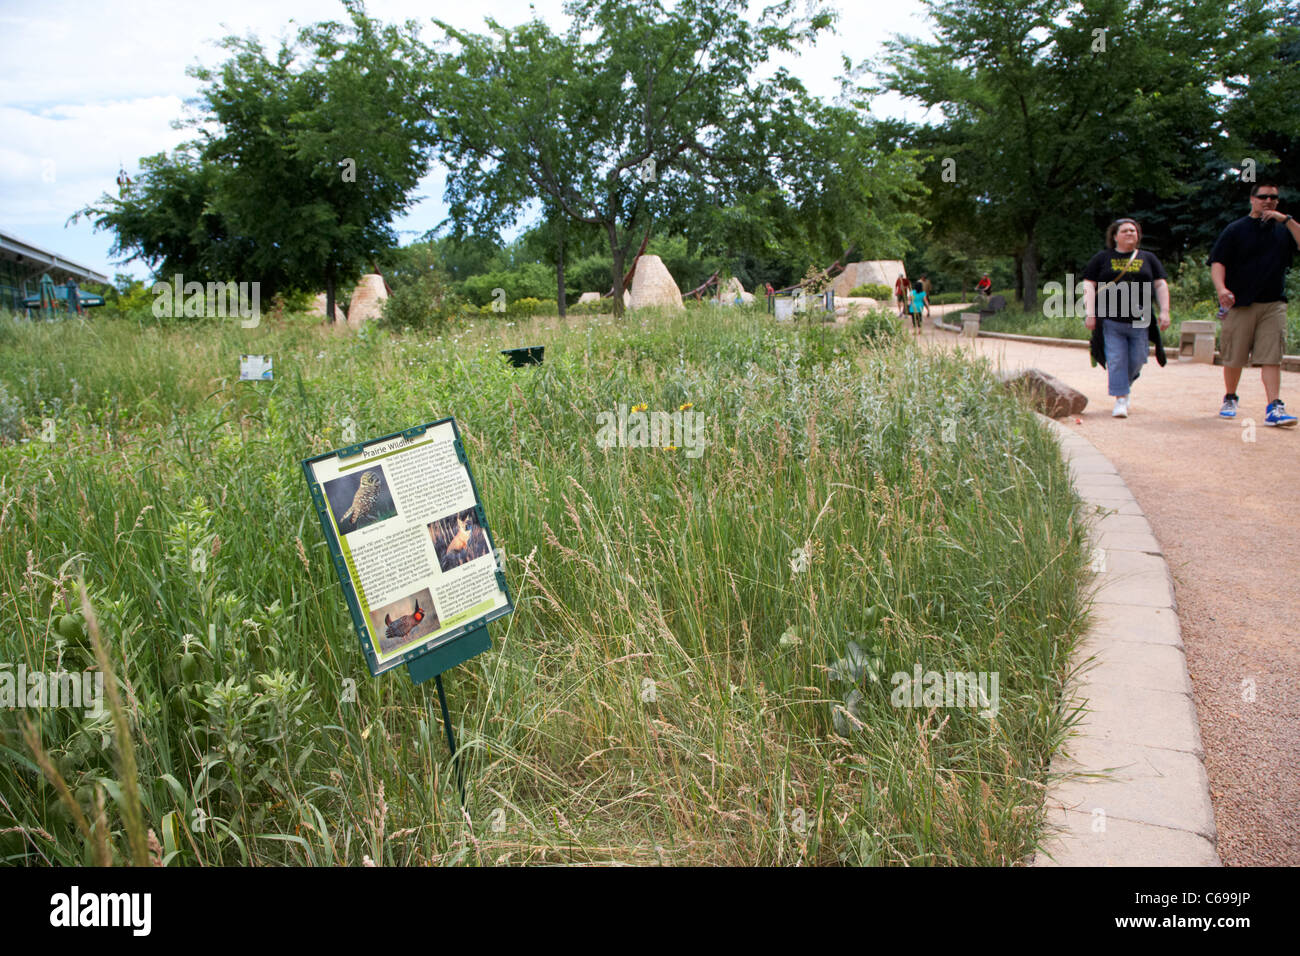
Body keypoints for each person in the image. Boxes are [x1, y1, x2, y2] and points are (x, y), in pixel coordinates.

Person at [1208, 181, 1300, 426]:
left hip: (1274, 302)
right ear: (1252, 199)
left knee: (1272, 357)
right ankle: (1230, 397)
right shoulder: (1236, 229)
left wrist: (1287, 220)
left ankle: (1274, 407)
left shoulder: (1284, 229)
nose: (1268, 201)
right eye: (1263, 197)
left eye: (1273, 198)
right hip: (1240, 302)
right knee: (1234, 356)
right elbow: (1218, 262)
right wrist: (1222, 289)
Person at [1082, 218, 1171, 418]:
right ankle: (1121, 399)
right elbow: (1089, 285)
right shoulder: (1102, 258)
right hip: (1110, 318)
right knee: (1116, 359)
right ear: (1114, 236)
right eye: (1125, 231)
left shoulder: (1148, 258)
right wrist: (1090, 313)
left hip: (1140, 318)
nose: (1130, 233)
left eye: (1133, 230)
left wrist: (1165, 311)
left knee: (1139, 358)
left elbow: (1160, 284)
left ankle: (1125, 385)